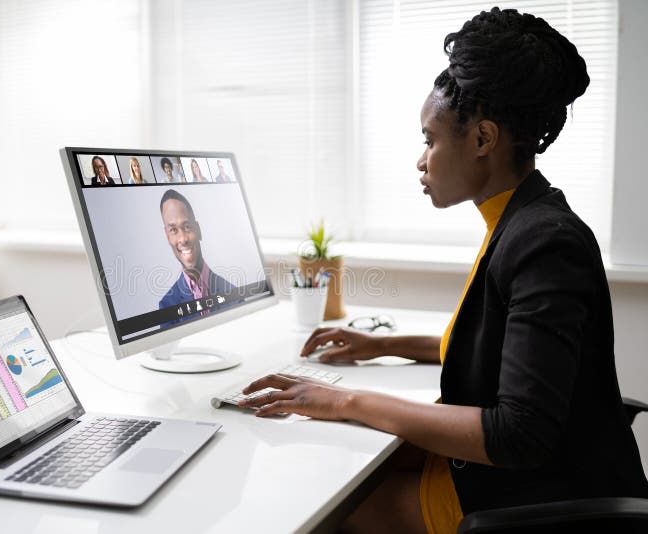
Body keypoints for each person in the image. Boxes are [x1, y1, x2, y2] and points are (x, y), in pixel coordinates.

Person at [239, 7, 648, 534]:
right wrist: (384, 344)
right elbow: (500, 349)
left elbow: (516, 433)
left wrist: (344, 398)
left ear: (482, 140)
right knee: (329, 455)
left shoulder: (545, 241)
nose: (421, 160)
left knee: (323, 504)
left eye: (430, 140)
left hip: (532, 499)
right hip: (514, 477)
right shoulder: (523, 217)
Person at [158, 189, 234, 322]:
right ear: (167, 236)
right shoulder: (167, 306)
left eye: (187, 227)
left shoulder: (232, 292)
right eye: (173, 230)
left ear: (198, 230)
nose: (183, 239)